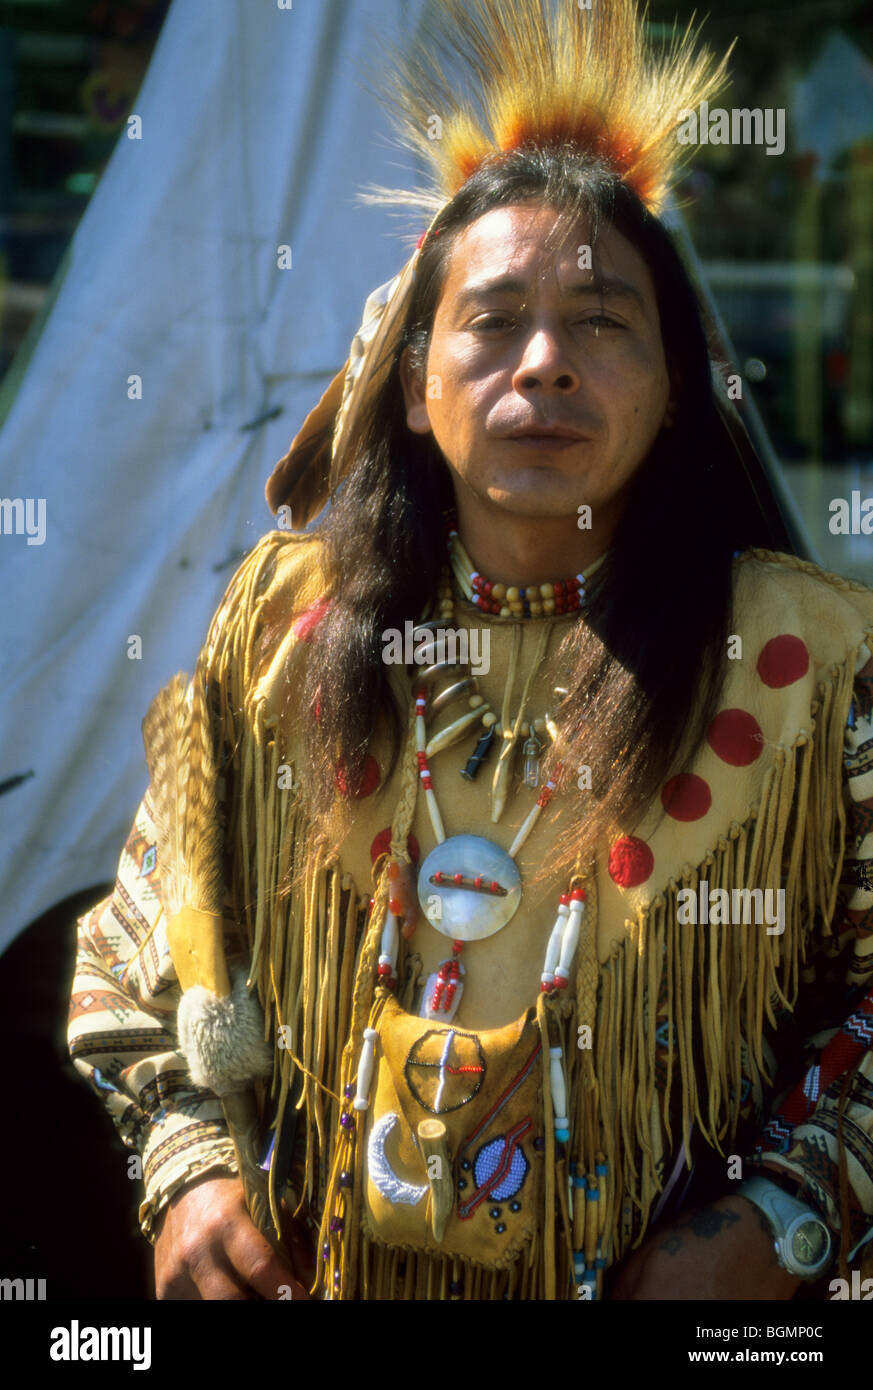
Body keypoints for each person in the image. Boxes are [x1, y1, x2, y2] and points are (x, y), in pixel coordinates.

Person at [68, 0, 873, 1301]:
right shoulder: (282, 633)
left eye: (603, 323)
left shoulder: (806, 664)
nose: (543, 364)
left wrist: (772, 1222)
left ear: (675, 388)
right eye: (491, 322)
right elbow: (139, 939)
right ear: (409, 377)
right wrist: (192, 1161)